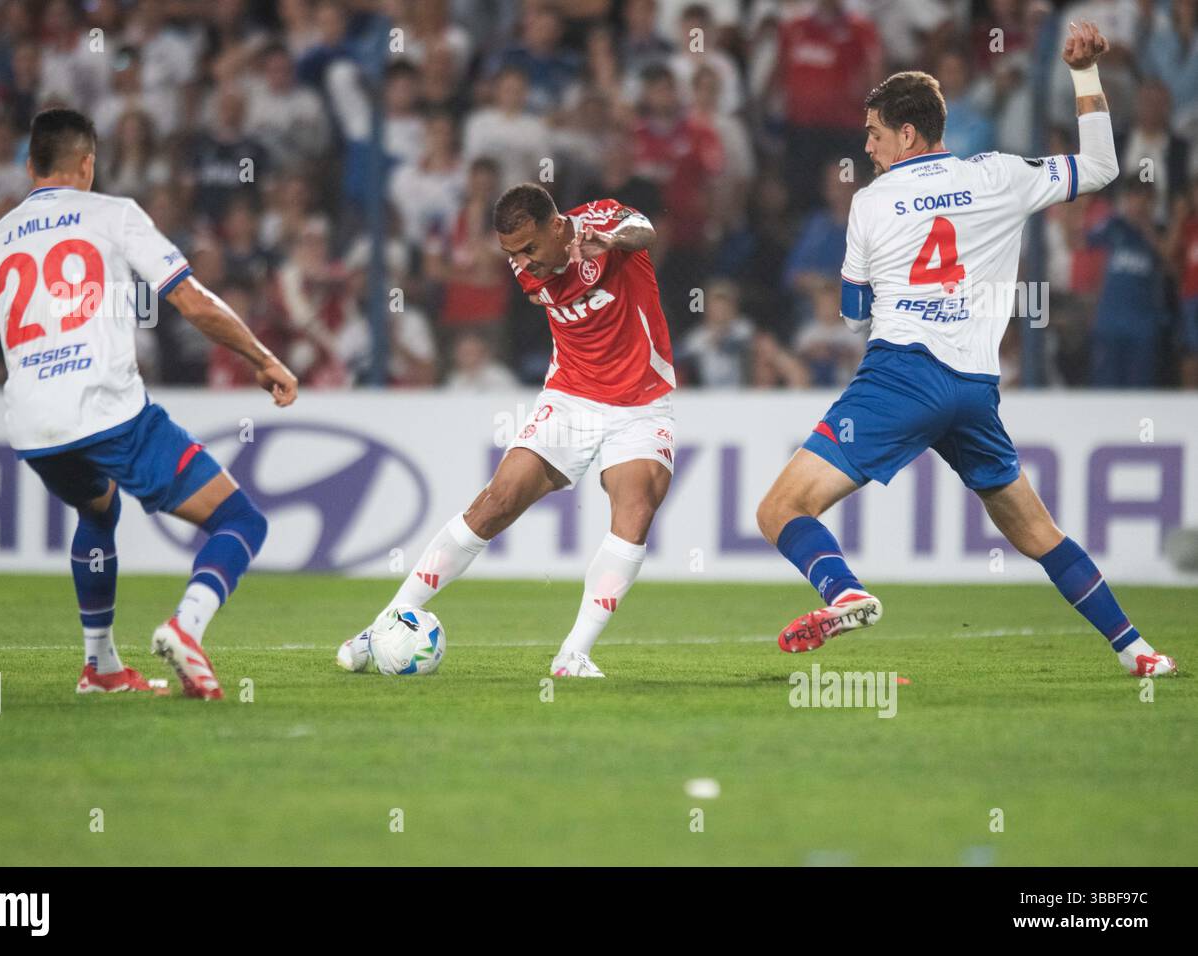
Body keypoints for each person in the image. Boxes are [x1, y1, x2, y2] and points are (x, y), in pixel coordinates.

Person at [754, 24, 1177, 678]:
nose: (866, 147)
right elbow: (1101, 167)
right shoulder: (999, 173)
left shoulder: (870, 203)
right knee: (1039, 534)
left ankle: (844, 592)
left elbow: (853, 311)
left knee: (780, 508)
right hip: (974, 390)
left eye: (874, 133)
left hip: (900, 377)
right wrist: (1086, 74)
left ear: (908, 135)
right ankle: (1138, 651)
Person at [0, 108, 299, 699]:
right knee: (241, 519)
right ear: (87, 164)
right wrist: (263, 358)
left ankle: (101, 666)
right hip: (111, 413)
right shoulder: (114, 214)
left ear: (29, 165)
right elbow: (191, 302)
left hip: (35, 428)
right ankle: (185, 628)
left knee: (98, 512)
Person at [339, 185, 675, 678]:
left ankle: (572, 654)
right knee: (495, 503)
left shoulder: (599, 222)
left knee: (636, 509)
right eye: (510, 253)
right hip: (572, 397)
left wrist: (612, 237)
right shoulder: (527, 266)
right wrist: (540, 256)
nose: (522, 263)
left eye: (529, 249)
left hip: (642, 400)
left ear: (558, 226)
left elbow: (645, 229)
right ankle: (383, 624)